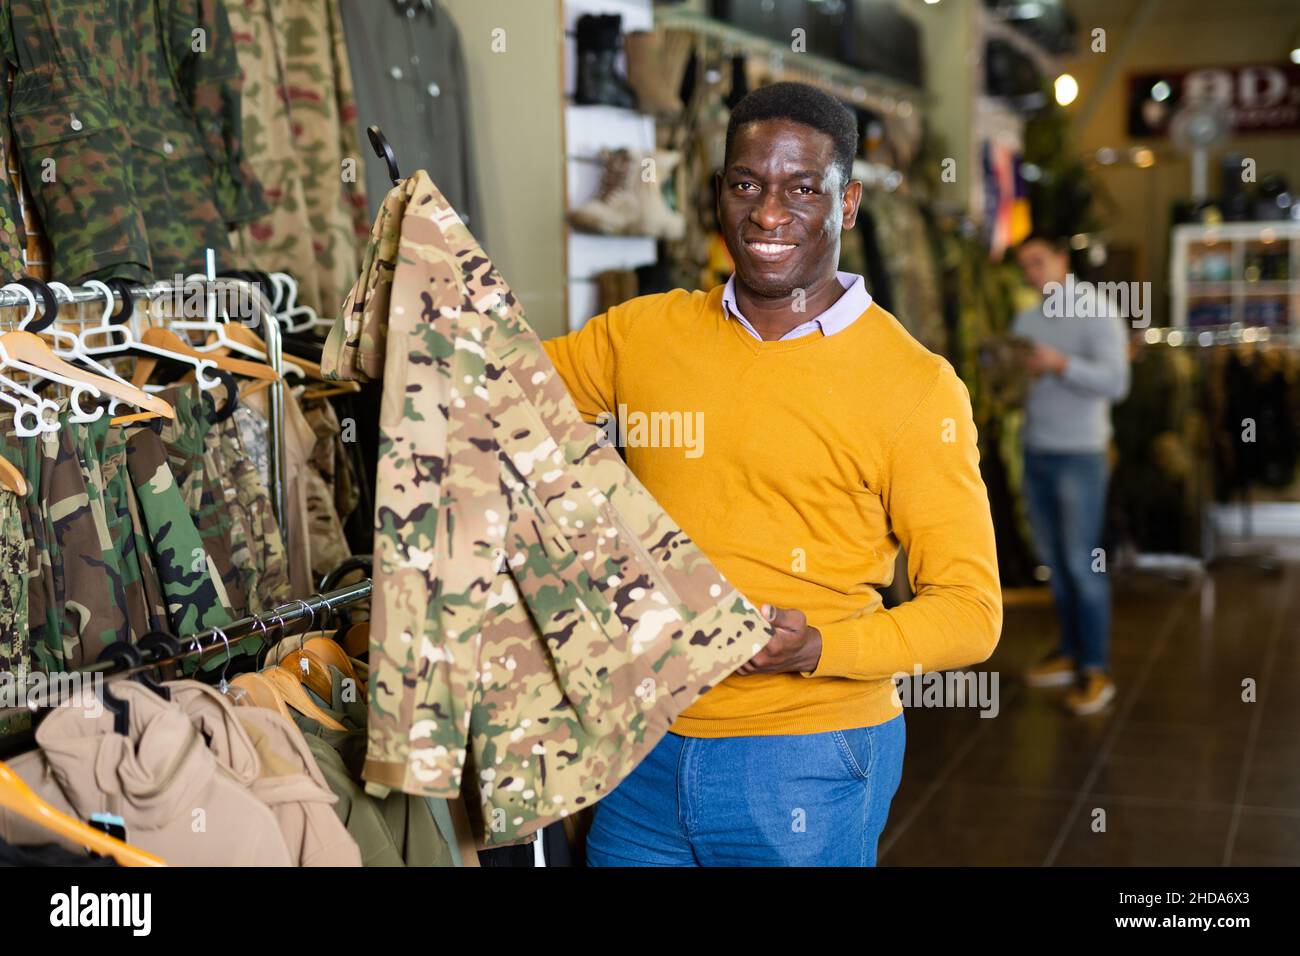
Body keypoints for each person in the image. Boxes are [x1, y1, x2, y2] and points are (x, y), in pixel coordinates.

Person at [543, 82, 1001, 866]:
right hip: (641, 744)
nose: (767, 213)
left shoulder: (916, 386)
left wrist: (819, 646)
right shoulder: (643, 334)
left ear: (848, 204)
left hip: (807, 760)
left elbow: (971, 613)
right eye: (746, 184)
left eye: (801, 188)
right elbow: (494, 403)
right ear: (717, 191)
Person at [1013, 234, 1130, 715]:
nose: (1031, 272)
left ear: (1063, 260)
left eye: (1039, 261)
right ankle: (1068, 652)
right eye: (1025, 265)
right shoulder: (1027, 317)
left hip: (1080, 454)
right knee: (1055, 564)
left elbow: (1118, 382)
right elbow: (1015, 382)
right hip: (1036, 449)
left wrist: (1059, 364)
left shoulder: (1096, 311)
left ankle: (1096, 668)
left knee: (1083, 564)